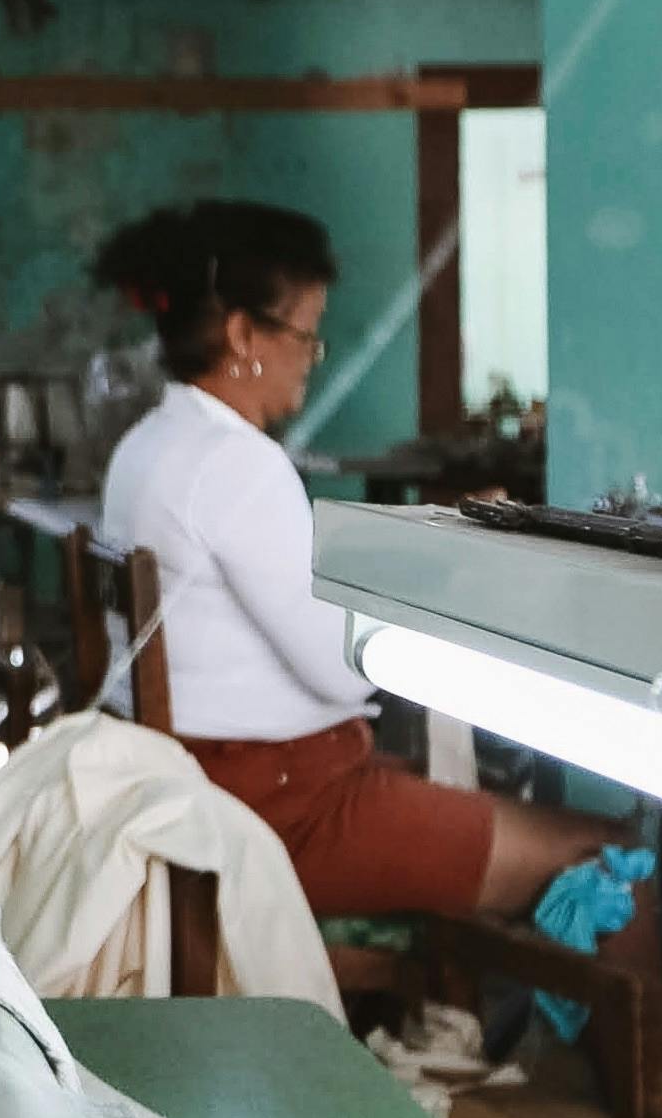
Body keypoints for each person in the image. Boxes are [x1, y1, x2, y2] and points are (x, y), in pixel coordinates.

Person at [90, 201, 628, 918]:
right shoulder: (239, 464)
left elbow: (275, 575)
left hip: (200, 780)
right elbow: (343, 669)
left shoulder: (149, 444)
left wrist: (430, 548)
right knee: (613, 855)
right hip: (277, 812)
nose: (312, 358)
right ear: (244, 334)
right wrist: (453, 578)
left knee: (467, 797)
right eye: (306, 334)